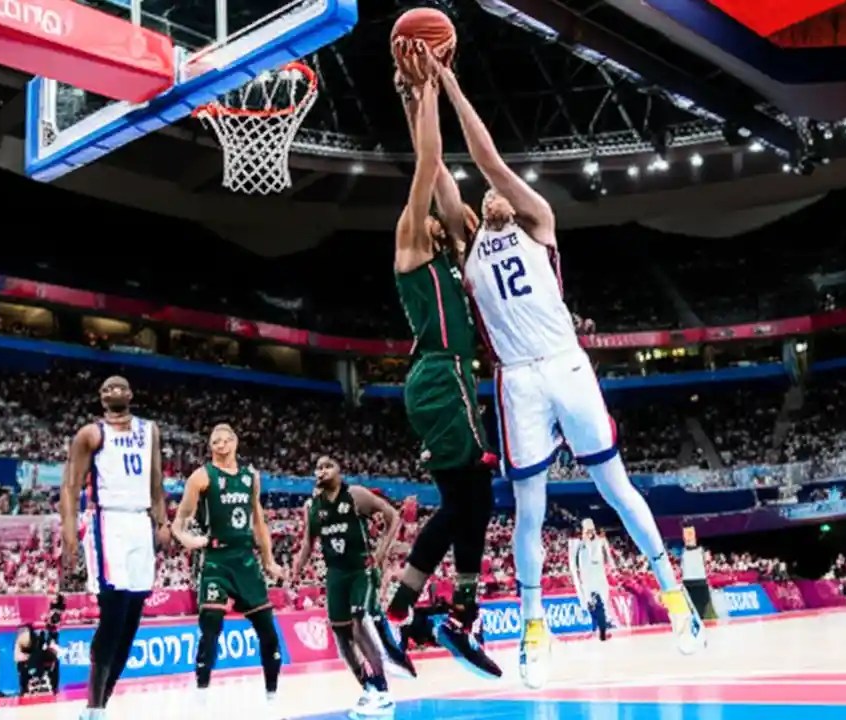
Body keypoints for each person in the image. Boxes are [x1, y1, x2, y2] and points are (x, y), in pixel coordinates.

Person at [424, 51, 708, 689]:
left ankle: (674, 593)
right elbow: (440, 170)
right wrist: (419, 97)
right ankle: (531, 627)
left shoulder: (541, 225)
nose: (492, 192)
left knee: (616, 486)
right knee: (530, 506)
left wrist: (449, 81)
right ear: (469, 220)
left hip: (564, 364)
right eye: (482, 198)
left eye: (500, 191)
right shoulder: (466, 250)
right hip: (519, 377)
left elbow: (489, 160)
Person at [385, 41, 501, 679]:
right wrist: (425, 88)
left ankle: (440, 611)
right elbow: (429, 164)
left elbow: (448, 184)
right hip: (439, 377)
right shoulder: (409, 241)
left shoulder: (451, 253)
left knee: (472, 502)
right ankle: (412, 610)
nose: (437, 215)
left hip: (450, 381)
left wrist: (416, 96)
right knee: (469, 500)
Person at [60, 376, 169, 720]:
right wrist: (69, 535)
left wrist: (163, 522)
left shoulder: (149, 430)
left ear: (131, 393)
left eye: (119, 386)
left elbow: (155, 482)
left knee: (131, 621)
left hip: (140, 523)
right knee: (113, 615)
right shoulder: (91, 434)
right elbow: (70, 486)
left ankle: (99, 707)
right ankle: (94, 707)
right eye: (106, 388)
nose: (113, 391)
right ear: (101, 398)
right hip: (109, 523)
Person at [172, 424, 286, 708]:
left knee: (268, 631)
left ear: (235, 443)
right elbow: (180, 521)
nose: (221, 444)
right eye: (215, 441)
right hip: (216, 559)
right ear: (210, 446)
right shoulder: (201, 476)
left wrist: (269, 560)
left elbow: (258, 521)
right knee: (210, 626)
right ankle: (201, 697)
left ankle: (272, 697)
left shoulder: (251, 476)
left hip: (245, 559)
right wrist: (189, 539)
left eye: (226, 439)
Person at [291, 456, 409, 716]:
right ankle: (370, 689)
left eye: (327, 466)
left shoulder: (355, 495)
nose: (321, 471)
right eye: (318, 467)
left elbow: (393, 516)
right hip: (335, 574)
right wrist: (295, 571)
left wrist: (381, 552)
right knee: (341, 635)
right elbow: (308, 544)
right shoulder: (313, 506)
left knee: (358, 619)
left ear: (339, 472)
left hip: (360, 570)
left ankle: (383, 689)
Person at [568, 519, 615, 641]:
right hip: (587, 580)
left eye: (592, 530)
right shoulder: (578, 544)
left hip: (599, 578)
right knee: (593, 605)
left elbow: (607, 556)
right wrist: (576, 577)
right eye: (587, 530)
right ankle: (599, 629)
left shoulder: (599, 542)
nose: (590, 533)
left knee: (600, 604)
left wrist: (612, 567)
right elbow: (573, 562)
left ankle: (602, 629)